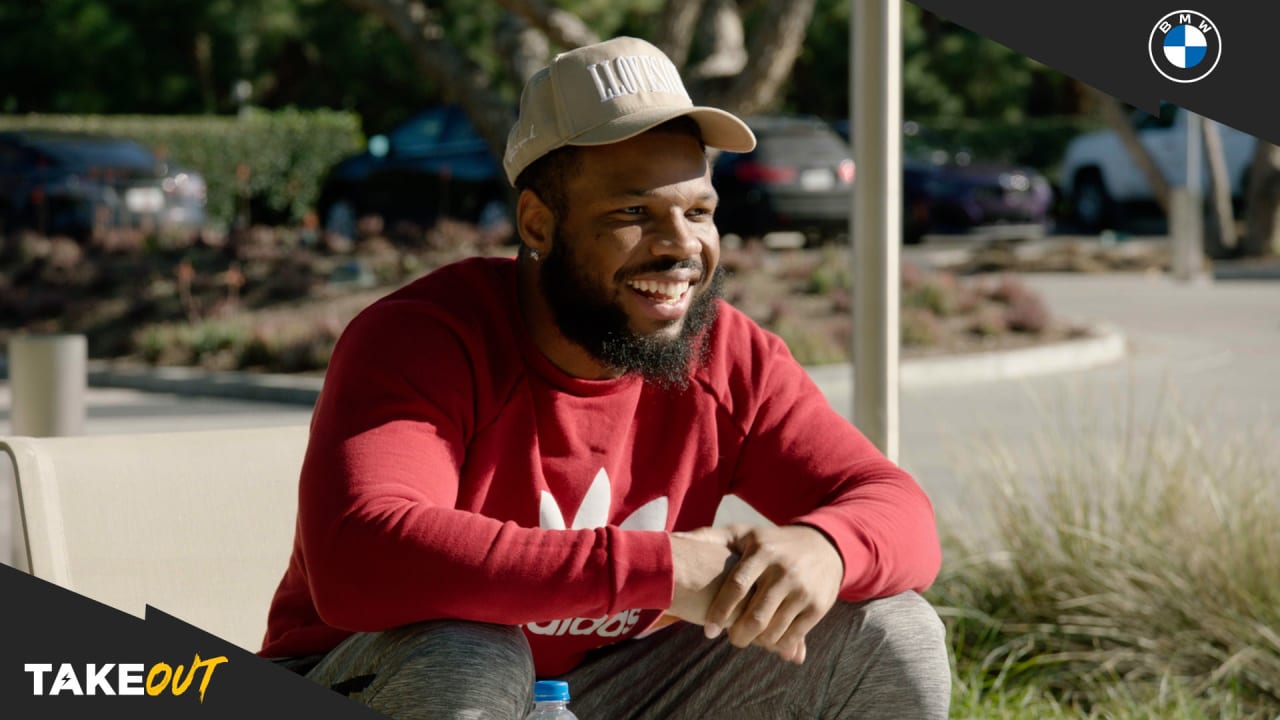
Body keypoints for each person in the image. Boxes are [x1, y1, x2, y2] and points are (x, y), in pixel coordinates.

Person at [260, 35, 951, 719]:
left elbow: (899, 512)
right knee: (469, 653)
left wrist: (826, 548)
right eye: (633, 213)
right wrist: (661, 570)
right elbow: (361, 557)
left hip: (599, 691)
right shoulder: (426, 338)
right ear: (538, 223)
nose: (682, 245)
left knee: (892, 632)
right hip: (380, 675)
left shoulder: (728, 356)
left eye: (698, 211)